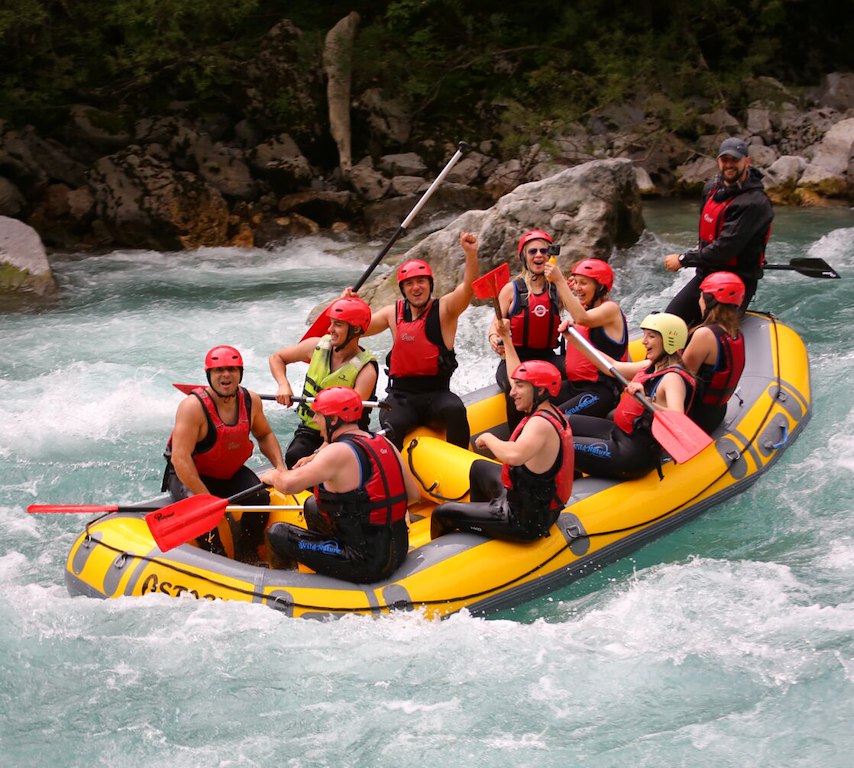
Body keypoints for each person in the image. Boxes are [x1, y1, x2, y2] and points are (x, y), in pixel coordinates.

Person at [261, 387, 421, 584]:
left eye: (318, 414)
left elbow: (287, 485)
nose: (315, 420)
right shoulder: (382, 441)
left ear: (334, 420)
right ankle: (327, 564)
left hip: (365, 561)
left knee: (278, 534)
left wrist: (272, 475)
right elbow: (414, 494)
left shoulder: (337, 451)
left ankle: (287, 591)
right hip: (397, 548)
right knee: (312, 505)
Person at [431, 322, 573, 542]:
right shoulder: (545, 409)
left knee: (442, 513)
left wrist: (489, 438)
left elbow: (514, 455)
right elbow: (515, 372)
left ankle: (459, 545)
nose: (513, 392)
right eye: (514, 386)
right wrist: (507, 339)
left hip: (524, 520)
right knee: (478, 468)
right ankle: (480, 526)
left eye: (520, 387)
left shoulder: (541, 424)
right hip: (521, 497)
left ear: (540, 390)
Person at [346, 230, 480, 450]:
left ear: (430, 284)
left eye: (421, 282)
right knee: (391, 426)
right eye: (410, 284)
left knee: (455, 409)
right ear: (403, 289)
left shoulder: (445, 310)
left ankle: (464, 468)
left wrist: (471, 254)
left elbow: (468, 289)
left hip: (437, 395)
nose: (416, 287)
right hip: (401, 398)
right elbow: (359, 329)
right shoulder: (392, 313)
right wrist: (350, 307)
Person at [162, 345, 286, 559]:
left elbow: (264, 435)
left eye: (232, 369)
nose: (226, 375)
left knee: (259, 499)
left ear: (240, 373)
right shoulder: (192, 407)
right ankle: (216, 555)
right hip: (191, 477)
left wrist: (281, 467)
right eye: (219, 370)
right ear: (209, 375)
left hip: (228, 472)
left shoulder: (251, 401)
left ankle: (248, 549)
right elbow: (180, 459)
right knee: (205, 518)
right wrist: (205, 497)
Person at [566, 313, 697, 480]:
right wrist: (575, 340)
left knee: (560, 445)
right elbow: (611, 366)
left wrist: (647, 401)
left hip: (633, 454)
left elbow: (677, 417)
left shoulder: (673, 378)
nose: (644, 341)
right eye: (644, 335)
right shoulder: (652, 366)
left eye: (651, 336)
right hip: (618, 433)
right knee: (558, 423)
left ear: (669, 340)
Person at [663, 137, 774, 328]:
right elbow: (709, 236)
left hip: (736, 281)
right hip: (706, 273)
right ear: (718, 162)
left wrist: (683, 259)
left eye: (735, 160)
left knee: (712, 336)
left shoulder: (755, 203)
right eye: (725, 160)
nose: (729, 165)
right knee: (670, 323)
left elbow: (724, 250)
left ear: (746, 162)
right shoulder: (711, 188)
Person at [268, 296, 378, 468]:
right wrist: (283, 384)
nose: (330, 329)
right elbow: (277, 358)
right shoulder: (316, 346)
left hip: (345, 435)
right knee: (294, 456)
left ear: (356, 329)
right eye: (331, 323)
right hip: (312, 428)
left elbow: (347, 422)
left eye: (338, 324)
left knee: (323, 465)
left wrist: (317, 455)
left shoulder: (366, 371)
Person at [487, 229, 566, 431]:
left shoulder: (558, 288)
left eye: (543, 251)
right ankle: (517, 439)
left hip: (547, 356)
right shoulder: (511, 289)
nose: (538, 255)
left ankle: (560, 430)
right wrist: (495, 337)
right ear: (524, 257)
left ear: (550, 256)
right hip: (516, 358)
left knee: (576, 375)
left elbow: (581, 311)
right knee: (517, 389)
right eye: (532, 251)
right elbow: (494, 325)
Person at [544, 257, 629, 418]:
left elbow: (583, 319)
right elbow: (575, 309)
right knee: (535, 400)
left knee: (551, 422)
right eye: (576, 282)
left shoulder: (611, 309)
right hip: (576, 386)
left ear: (600, 287)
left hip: (599, 391)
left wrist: (560, 281)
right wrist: (564, 287)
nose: (577, 288)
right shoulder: (586, 308)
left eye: (583, 283)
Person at [681, 272, 746, 433]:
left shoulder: (705, 335)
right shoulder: (735, 332)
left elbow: (680, 377)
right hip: (716, 412)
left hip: (695, 416)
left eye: (702, 296)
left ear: (710, 300)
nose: (699, 300)